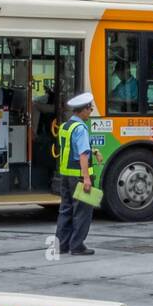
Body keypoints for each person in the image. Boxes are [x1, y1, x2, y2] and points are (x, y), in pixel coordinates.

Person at [55, 92, 101, 256]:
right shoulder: (81, 128)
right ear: (84, 109)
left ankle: (61, 245)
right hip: (80, 177)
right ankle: (77, 246)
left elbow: (72, 148)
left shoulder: (66, 126)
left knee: (65, 209)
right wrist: (87, 179)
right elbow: (82, 154)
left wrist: (94, 151)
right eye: (90, 109)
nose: (90, 112)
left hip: (66, 176)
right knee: (83, 212)